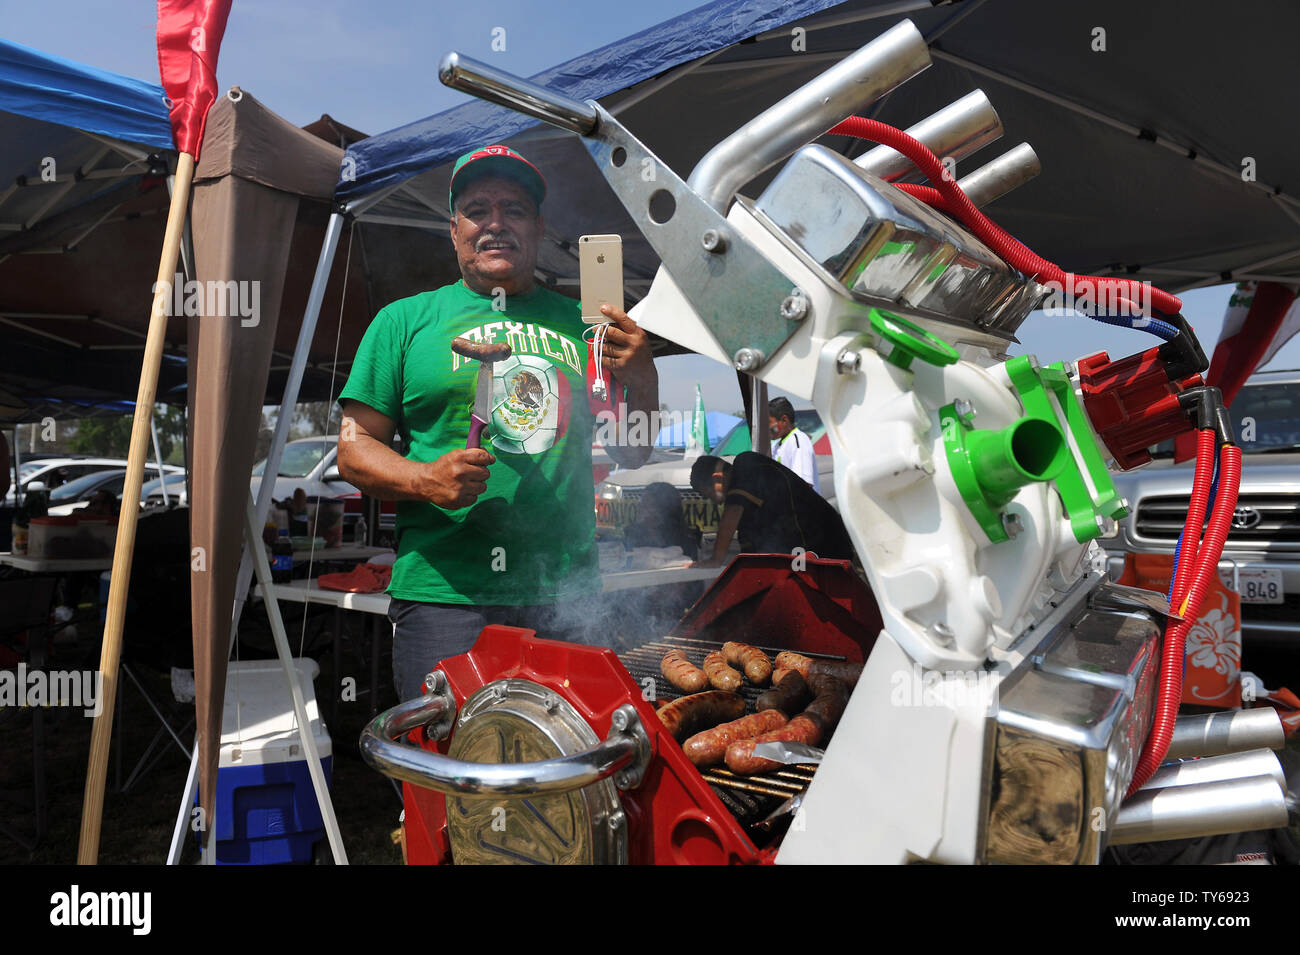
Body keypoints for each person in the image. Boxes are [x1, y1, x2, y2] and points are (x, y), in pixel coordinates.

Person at [336, 144, 658, 701]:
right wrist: (423, 479)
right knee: (448, 766)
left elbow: (634, 451)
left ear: (537, 226)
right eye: (478, 209)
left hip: (565, 594)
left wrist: (644, 376)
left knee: (568, 768)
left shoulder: (587, 325)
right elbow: (353, 447)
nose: (495, 223)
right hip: (445, 595)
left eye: (513, 208)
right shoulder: (405, 321)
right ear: (454, 228)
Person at [689, 452, 855, 568]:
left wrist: (716, 559)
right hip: (804, 553)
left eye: (709, 494)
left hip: (826, 546)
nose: (715, 503)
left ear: (717, 478)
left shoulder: (746, 465)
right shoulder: (749, 496)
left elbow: (732, 512)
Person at [768, 396, 819, 493]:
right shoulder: (775, 446)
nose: (766, 427)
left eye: (769, 422)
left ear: (784, 420)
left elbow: (802, 484)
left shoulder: (798, 441)